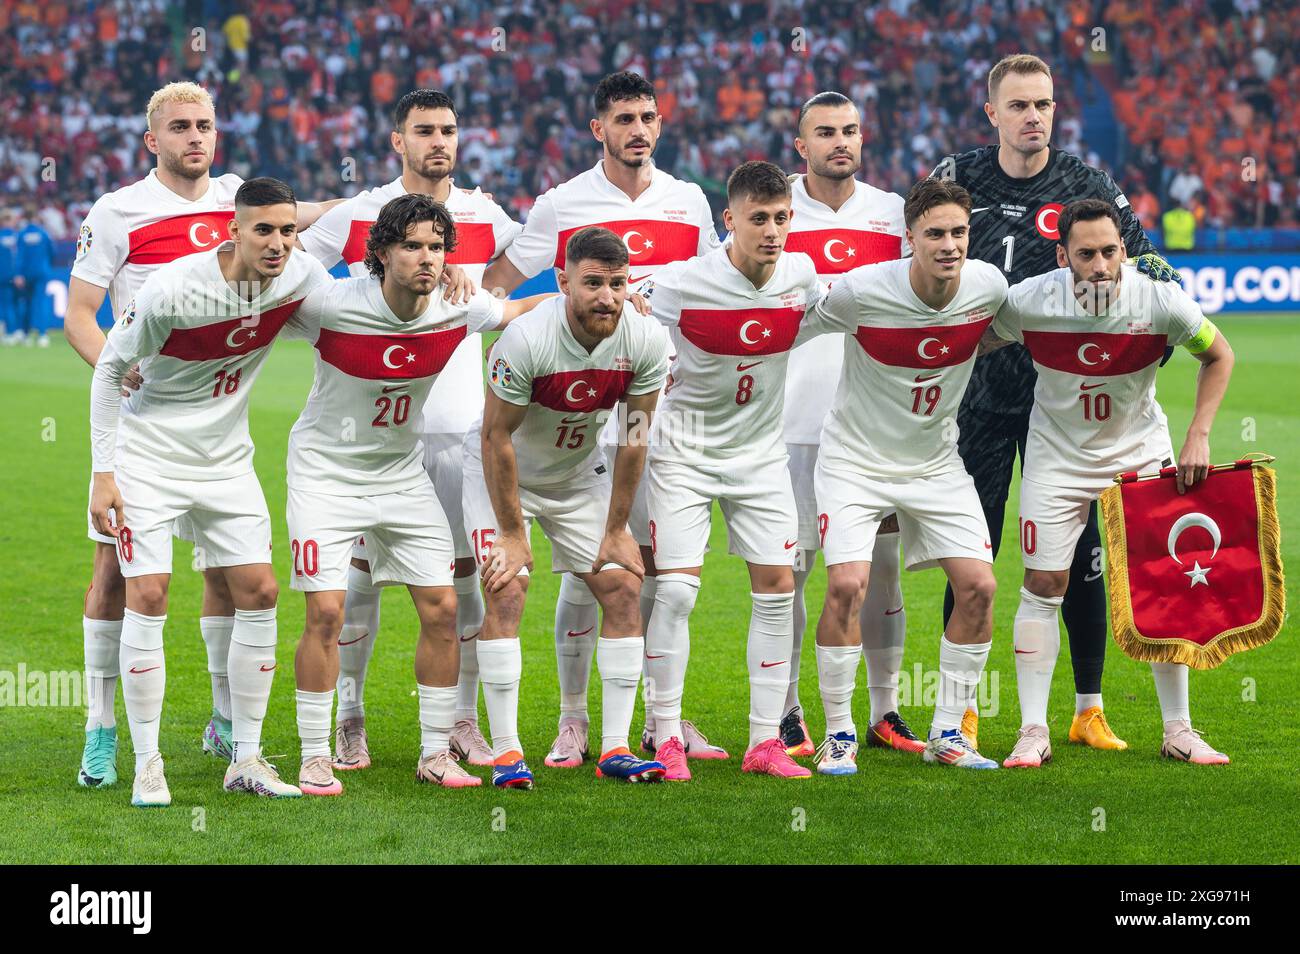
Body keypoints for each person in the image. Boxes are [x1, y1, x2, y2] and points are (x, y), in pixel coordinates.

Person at [67, 82, 338, 790]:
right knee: (122, 584)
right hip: (145, 419)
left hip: (221, 433)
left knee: (235, 579)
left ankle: (228, 727)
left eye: (206, 125)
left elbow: (322, 221)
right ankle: (103, 731)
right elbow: (81, 316)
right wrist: (120, 376)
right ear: (152, 139)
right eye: (181, 127)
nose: (196, 137)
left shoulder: (242, 200)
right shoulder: (119, 211)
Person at [933, 54, 1178, 752]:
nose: (1032, 116)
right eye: (1018, 105)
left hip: (1065, 410)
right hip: (977, 401)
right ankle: (966, 708)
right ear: (992, 113)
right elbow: (916, 257)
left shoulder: (1086, 183)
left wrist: (1148, 346)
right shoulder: (955, 178)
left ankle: (1088, 706)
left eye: (1042, 104)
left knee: (1081, 560)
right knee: (970, 553)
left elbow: (1147, 267)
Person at [482, 70, 725, 767]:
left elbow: (711, 285)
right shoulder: (561, 203)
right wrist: (475, 306)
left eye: (648, 116)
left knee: (643, 568)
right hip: (566, 399)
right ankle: (571, 723)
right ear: (600, 128)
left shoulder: (688, 202)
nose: (638, 129)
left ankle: (661, 723)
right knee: (576, 579)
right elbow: (501, 284)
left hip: (655, 400)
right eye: (624, 118)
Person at [287, 194, 549, 796]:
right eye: (412, 246)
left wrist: (583, 297)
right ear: (379, 252)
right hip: (325, 473)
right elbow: (258, 301)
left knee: (444, 608)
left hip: (400, 475)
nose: (427, 258)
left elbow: (513, 312)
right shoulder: (329, 304)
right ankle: (314, 753)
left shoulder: (456, 308)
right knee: (327, 611)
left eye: (437, 247)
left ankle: (435, 752)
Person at [986, 198, 1234, 767]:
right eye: (1086, 254)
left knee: (1161, 584)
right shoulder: (1030, 301)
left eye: (1110, 251)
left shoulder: (1158, 300)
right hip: (1057, 458)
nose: (1100, 265)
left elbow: (1218, 355)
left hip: (1140, 454)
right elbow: (976, 342)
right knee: (1044, 583)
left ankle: (1179, 730)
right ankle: (1032, 731)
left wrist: (1199, 432)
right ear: (1062, 255)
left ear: (1125, 248)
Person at [641, 160, 843, 781]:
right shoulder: (682, 282)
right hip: (683, 452)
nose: (773, 231)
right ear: (729, 221)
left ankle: (764, 743)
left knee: (778, 590)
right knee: (675, 590)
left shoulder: (803, 274)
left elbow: (846, 304)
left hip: (760, 457)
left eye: (783, 218)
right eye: (759, 219)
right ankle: (666, 735)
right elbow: (622, 310)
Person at [807, 177, 1007, 773]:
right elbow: (791, 326)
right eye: (935, 234)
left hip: (935, 463)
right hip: (854, 461)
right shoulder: (861, 291)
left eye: (959, 233)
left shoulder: (988, 286)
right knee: (847, 586)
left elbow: (1015, 327)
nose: (949, 245)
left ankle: (948, 733)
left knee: (980, 587)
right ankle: (839, 733)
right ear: (908, 237)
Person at [465, 226, 670, 788]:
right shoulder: (527, 340)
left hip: (578, 474)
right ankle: (507, 752)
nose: (607, 296)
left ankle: (616, 749)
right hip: (501, 473)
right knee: (507, 588)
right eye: (593, 283)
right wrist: (512, 533)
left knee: (624, 586)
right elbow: (495, 438)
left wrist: (618, 527)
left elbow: (634, 435)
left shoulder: (646, 340)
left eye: (617, 283)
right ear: (563, 282)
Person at [780, 91, 916, 758]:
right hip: (791, 423)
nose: (842, 141)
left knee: (882, 568)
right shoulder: (773, 213)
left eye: (852, 130)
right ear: (799, 145)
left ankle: (886, 711)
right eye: (826, 132)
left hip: (875, 424)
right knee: (794, 570)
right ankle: (788, 709)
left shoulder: (893, 216)